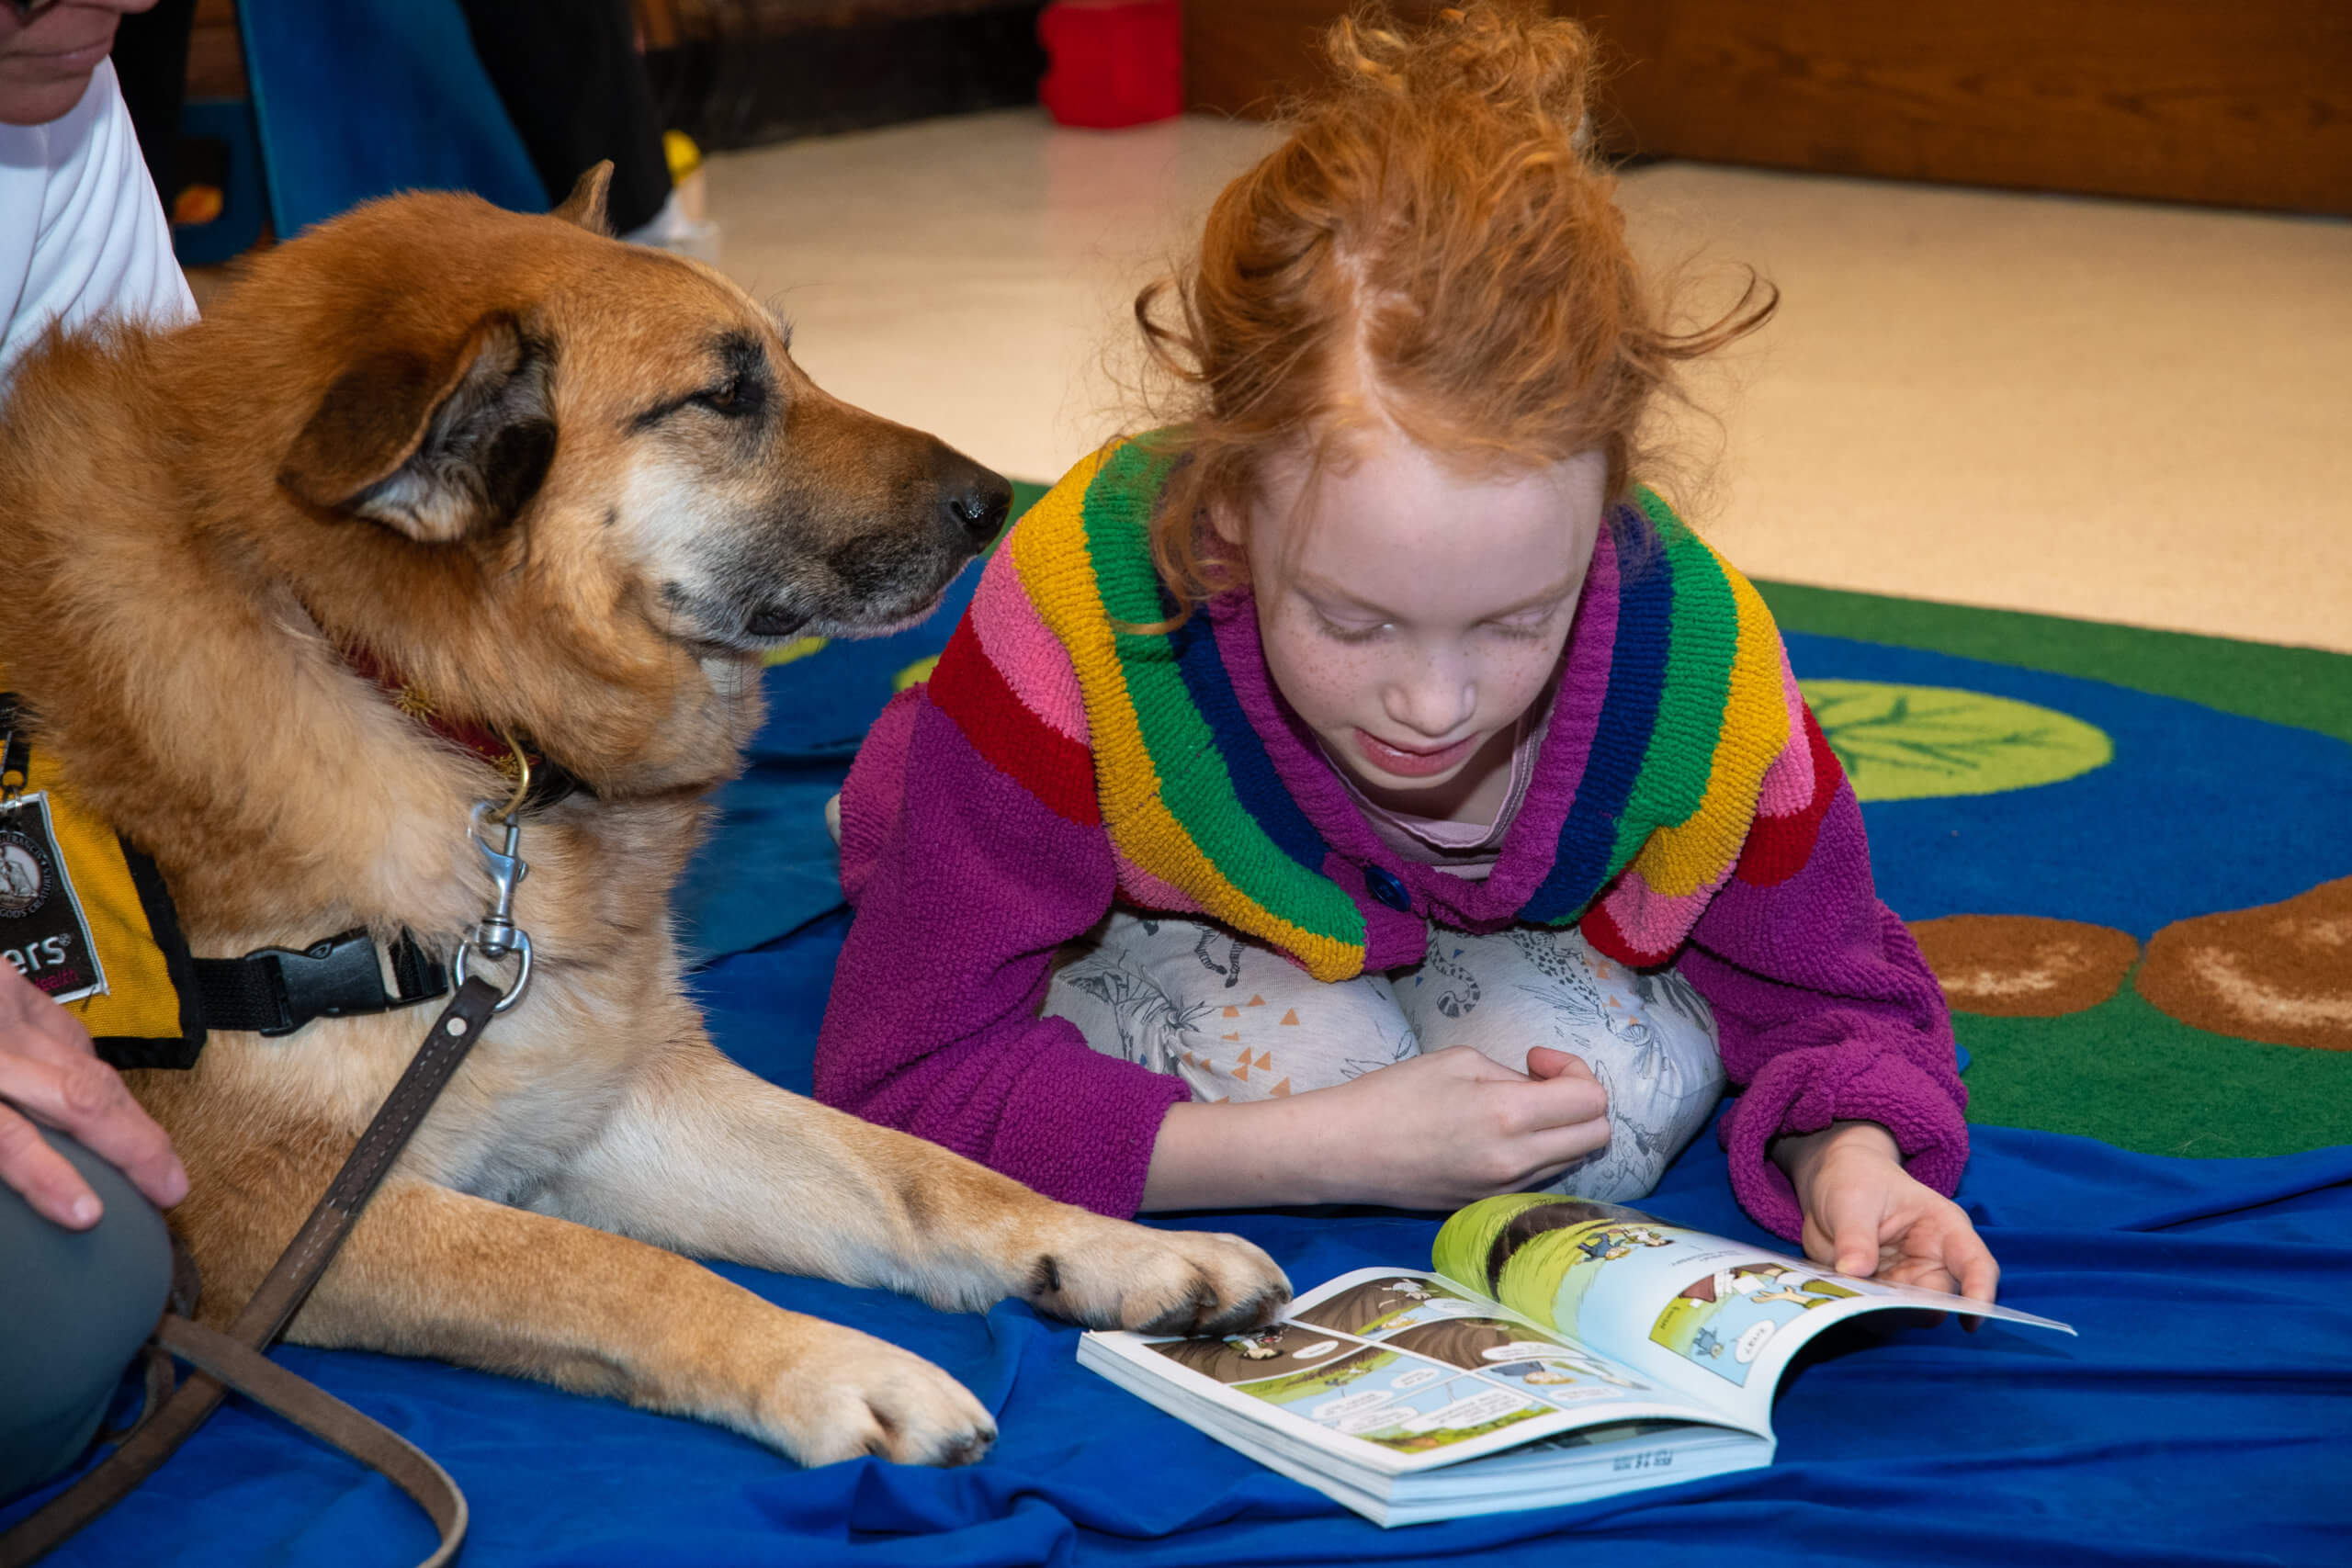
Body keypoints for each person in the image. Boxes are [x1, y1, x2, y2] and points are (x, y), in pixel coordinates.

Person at [815, 2, 1996, 1303]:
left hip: (1435, 919)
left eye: (1515, 621)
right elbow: (902, 1078)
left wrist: (1856, 1160)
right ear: (1222, 518)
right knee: (1315, 1066)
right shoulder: (1078, 626)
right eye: (1353, 618)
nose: (1433, 707)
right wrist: (1325, 1147)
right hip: (1121, 883)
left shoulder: (1698, 669)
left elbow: (1835, 993)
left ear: (1606, 522)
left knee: (1590, 1127)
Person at [2, 0, 197, 1502]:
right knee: (56, 1325)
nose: (113, 4)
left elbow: (141, 510)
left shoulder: (55, 88)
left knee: (98, 1256)